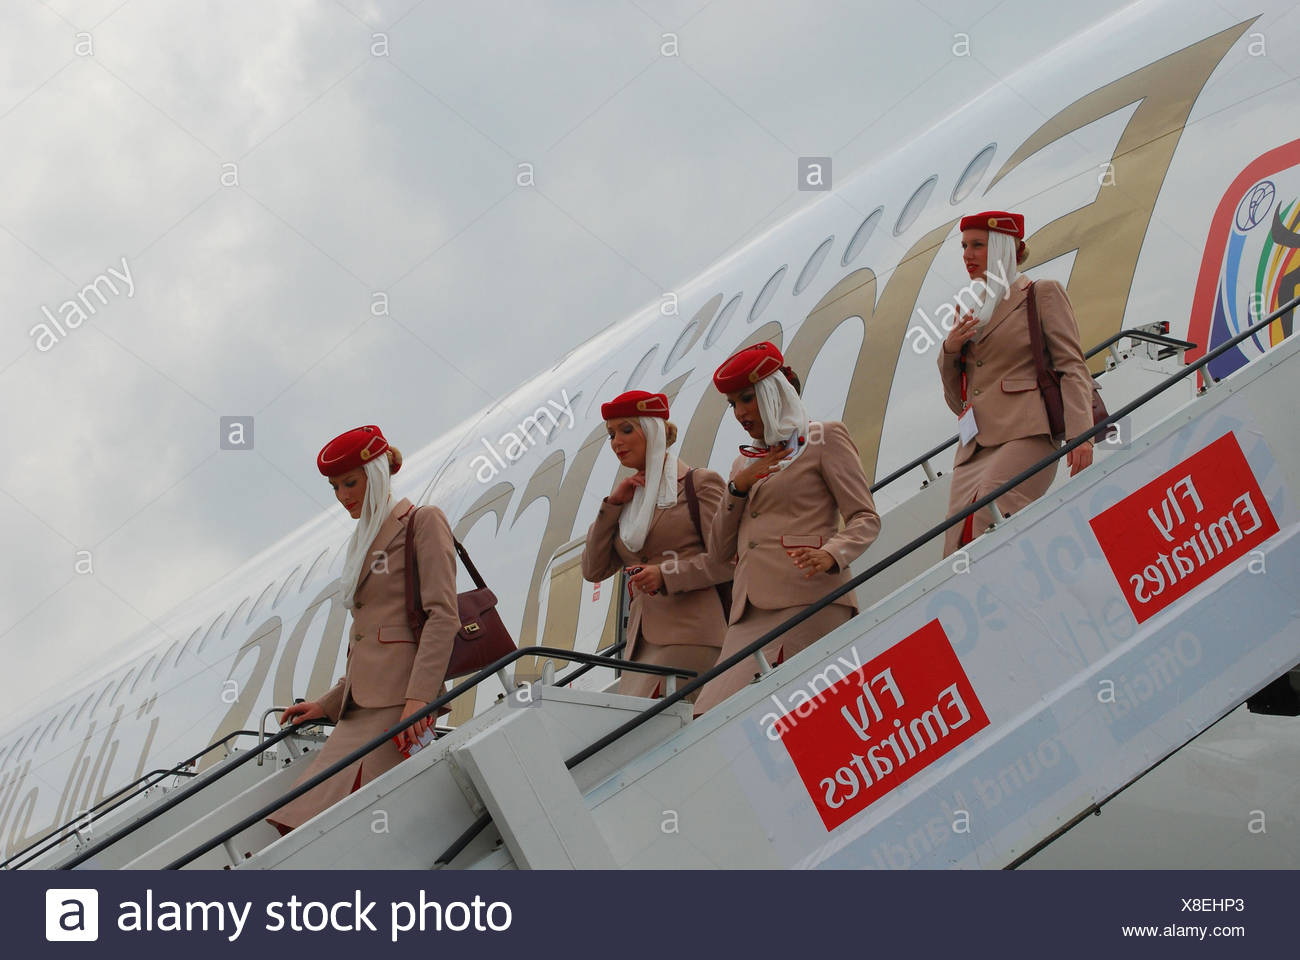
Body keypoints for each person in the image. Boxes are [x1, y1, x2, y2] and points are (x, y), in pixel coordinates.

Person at [267, 425, 460, 835]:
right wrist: (328, 703)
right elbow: (369, 638)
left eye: (350, 482)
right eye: (335, 487)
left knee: (330, 822)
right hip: (360, 708)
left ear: (375, 474)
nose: (342, 496)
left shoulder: (421, 521)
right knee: (297, 818)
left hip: (399, 704)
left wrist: (419, 701)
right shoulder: (363, 540)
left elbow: (443, 615)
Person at [693, 344, 881, 716]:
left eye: (747, 398)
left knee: (799, 716)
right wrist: (738, 488)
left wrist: (832, 553)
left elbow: (865, 517)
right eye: (732, 404)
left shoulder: (824, 438)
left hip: (807, 597)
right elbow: (718, 553)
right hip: (748, 612)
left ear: (774, 393)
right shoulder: (742, 466)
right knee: (708, 714)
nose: (740, 413)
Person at [937, 211, 1095, 557]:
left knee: (990, 516)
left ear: (1002, 248)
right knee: (956, 543)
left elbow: (1071, 366)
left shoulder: (1041, 293)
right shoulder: (970, 311)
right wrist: (950, 349)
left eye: (978, 245)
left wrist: (1081, 434)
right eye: (964, 247)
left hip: (1026, 432)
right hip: (974, 447)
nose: (967, 255)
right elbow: (956, 400)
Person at [581, 391, 731, 701]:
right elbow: (593, 570)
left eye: (626, 430)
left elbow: (727, 560)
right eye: (611, 435)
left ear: (652, 432)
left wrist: (666, 575)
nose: (616, 442)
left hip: (691, 634)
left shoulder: (699, 484)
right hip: (641, 643)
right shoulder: (627, 501)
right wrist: (612, 505)